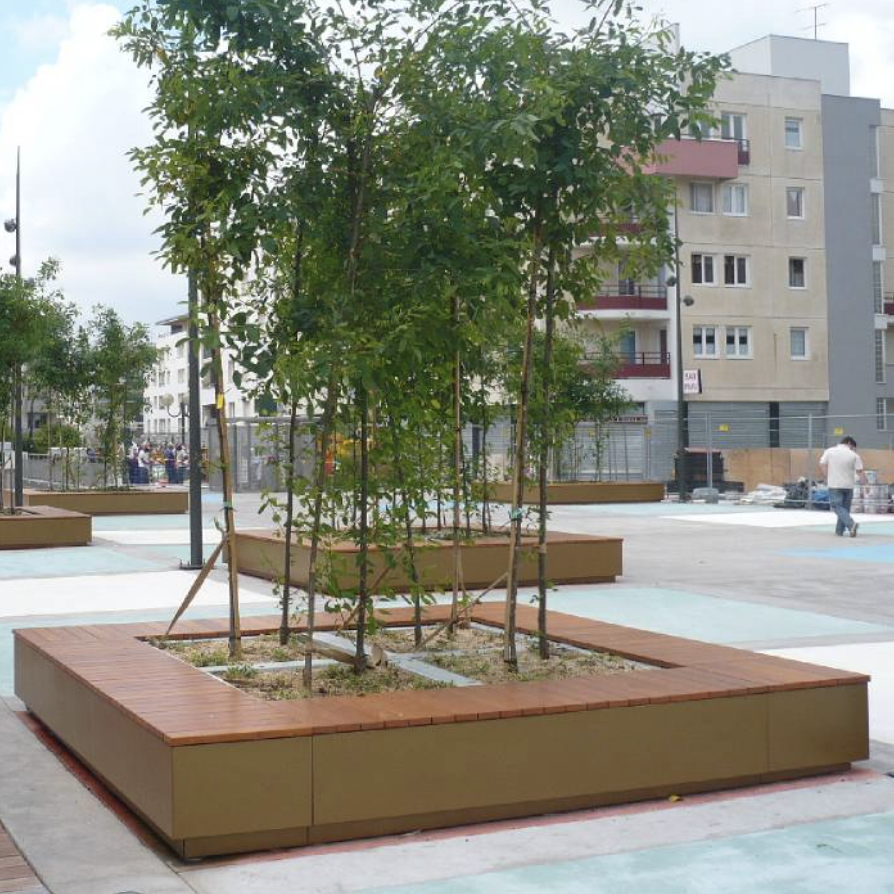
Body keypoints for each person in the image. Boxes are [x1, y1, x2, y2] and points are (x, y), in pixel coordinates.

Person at [818, 436, 869, 537]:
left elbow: (822, 464)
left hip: (834, 484)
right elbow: (860, 471)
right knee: (844, 509)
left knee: (837, 507)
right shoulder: (854, 455)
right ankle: (839, 531)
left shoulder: (830, 451)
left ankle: (851, 524)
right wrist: (866, 484)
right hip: (848, 486)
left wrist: (827, 476)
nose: (853, 449)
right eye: (853, 447)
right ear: (849, 443)